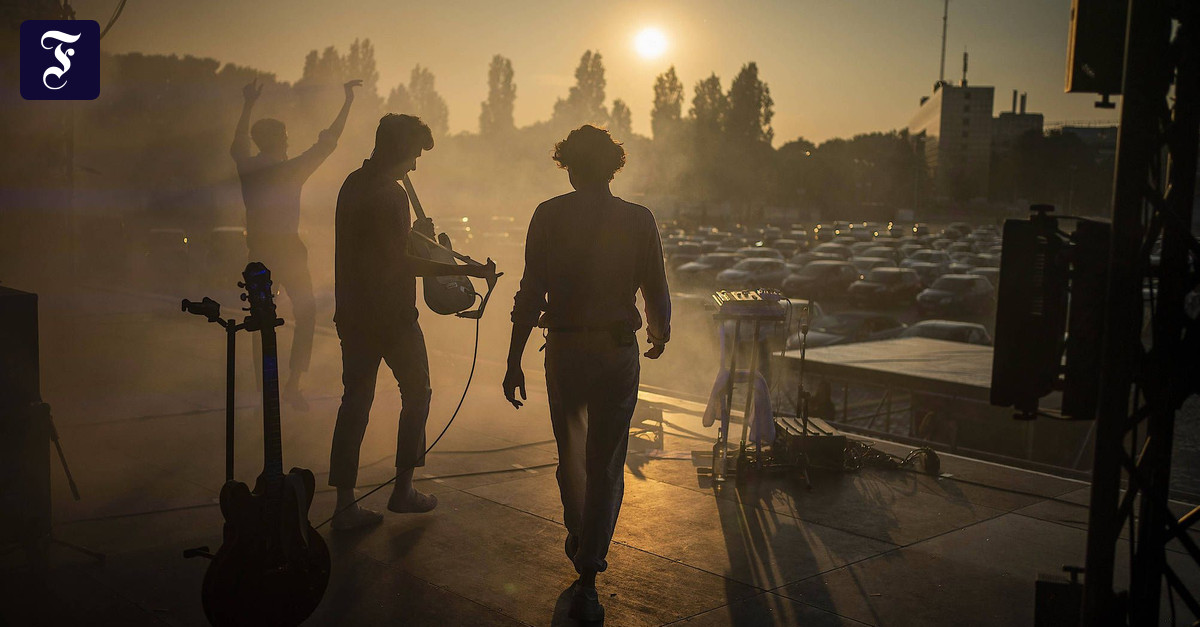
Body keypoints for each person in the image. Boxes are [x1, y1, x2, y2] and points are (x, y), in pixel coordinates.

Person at [503, 125, 671, 622]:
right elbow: (655, 288)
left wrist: (513, 359)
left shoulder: (549, 215)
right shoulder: (639, 220)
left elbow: (530, 293)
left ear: (569, 166)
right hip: (616, 351)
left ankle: (580, 537)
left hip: (567, 349)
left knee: (570, 453)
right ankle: (591, 562)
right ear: (614, 167)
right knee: (605, 460)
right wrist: (660, 334)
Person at [328, 113, 497, 531]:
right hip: (391, 316)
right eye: (414, 155)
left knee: (355, 402)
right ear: (400, 149)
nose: (415, 166)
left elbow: (379, 244)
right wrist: (471, 273)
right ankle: (403, 491)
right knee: (418, 393)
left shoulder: (352, 184)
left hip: (352, 311)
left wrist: (413, 233)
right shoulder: (390, 194)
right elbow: (399, 262)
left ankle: (344, 503)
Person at [231, 77, 361, 410]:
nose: (289, 142)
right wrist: (347, 102)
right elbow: (328, 142)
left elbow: (238, 144)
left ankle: (267, 386)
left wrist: (247, 105)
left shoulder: (249, 169)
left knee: (262, 318)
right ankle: (292, 383)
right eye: (285, 138)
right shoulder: (291, 170)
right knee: (306, 312)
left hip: (259, 250)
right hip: (287, 248)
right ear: (276, 141)